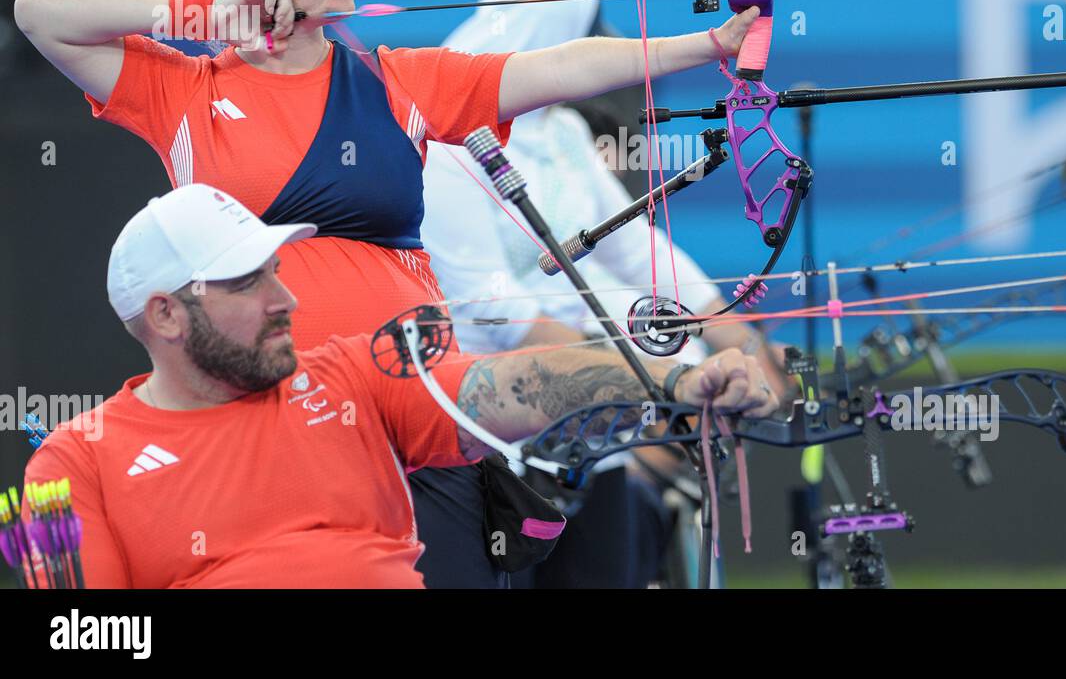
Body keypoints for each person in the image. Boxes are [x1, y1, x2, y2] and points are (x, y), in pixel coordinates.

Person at [12, 0, 760, 586]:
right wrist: (195, 16)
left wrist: (704, 46)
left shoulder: (396, 79)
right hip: (269, 424)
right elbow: (38, 13)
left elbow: (557, 66)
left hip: (419, 409)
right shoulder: (185, 90)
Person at [19, 184, 779, 588]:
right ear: (165, 314)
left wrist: (675, 377)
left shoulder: (350, 372)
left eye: (277, 269)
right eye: (249, 281)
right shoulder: (72, 461)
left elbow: (510, 385)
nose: (286, 299)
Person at [422, 0, 786, 587]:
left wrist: (736, 334)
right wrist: (659, 380)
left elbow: (634, 246)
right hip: (501, 430)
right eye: (589, 27)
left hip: (599, 419)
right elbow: (490, 311)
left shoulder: (561, 130)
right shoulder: (443, 141)